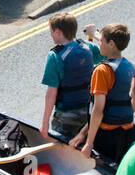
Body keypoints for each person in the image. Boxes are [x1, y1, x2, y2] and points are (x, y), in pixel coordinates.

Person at [70, 22, 135, 166]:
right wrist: (94, 33)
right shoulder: (131, 67)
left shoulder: (102, 71)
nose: (98, 43)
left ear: (111, 43)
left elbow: (98, 110)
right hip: (129, 133)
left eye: (101, 41)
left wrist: (88, 142)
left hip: (108, 137)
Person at [40, 12, 97, 141]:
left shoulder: (55, 56)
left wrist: (45, 123)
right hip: (88, 112)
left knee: (61, 150)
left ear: (58, 32)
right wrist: (93, 35)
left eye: (51, 31)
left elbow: (51, 93)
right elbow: (106, 54)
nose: (51, 34)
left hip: (66, 115)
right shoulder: (88, 47)